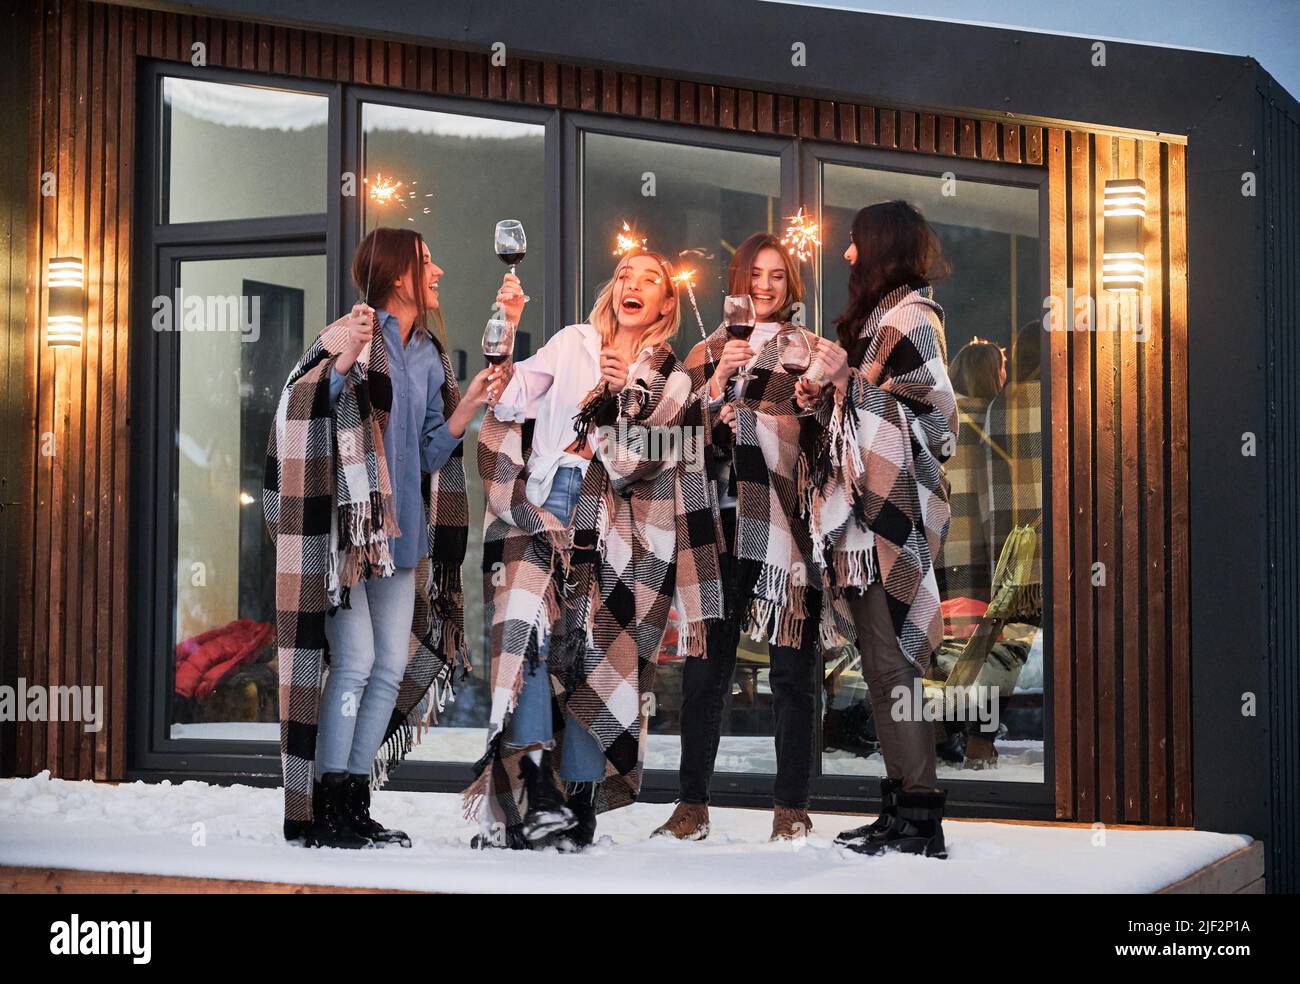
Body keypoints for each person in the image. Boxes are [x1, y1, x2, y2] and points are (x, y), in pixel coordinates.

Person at [464, 248, 722, 851]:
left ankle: (577, 797)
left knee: (599, 653)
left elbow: (657, 456)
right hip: (551, 501)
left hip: (623, 525)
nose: (634, 283)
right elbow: (509, 399)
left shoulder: (674, 376)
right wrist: (504, 331)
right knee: (525, 632)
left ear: (665, 303)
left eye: (651, 279)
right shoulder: (574, 341)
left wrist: (616, 398)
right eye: (626, 274)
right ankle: (534, 779)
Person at [263, 227, 503, 849]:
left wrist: (466, 408)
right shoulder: (350, 334)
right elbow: (299, 410)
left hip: (401, 539)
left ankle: (352, 802)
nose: (439, 272)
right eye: (429, 262)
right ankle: (320, 807)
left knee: (390, 664)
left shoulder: (428, 352)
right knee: (357, 662)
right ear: (400, 275)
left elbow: (427, 450)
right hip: (345, 540)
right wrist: (342, 363)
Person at [793, 200, 958, 857]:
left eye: (857, 243)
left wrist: (850, 387)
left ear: (883, 246)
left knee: (894, 669)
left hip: (889, 522)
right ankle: (898, 807)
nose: (847, 255)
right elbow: (864, 411)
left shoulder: (910, 319)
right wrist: (829, 390)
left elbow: (936, 422)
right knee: (882, 665)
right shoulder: (884, 318)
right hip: (865, 525)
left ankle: (920, 816)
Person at [652, 232, 823, 842]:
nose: (766, 286)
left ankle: (791, 809)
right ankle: (691, 804)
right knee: (705, 669)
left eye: (777, 276)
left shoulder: (810, 351)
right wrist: (712, 397)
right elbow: (667, 432)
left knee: (791, 669)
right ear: (738, 281)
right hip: (715, 527)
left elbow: (824, 435)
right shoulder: (705, 351)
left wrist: (759, 422)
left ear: (791, 285)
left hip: (781, 528)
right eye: (756, 275)